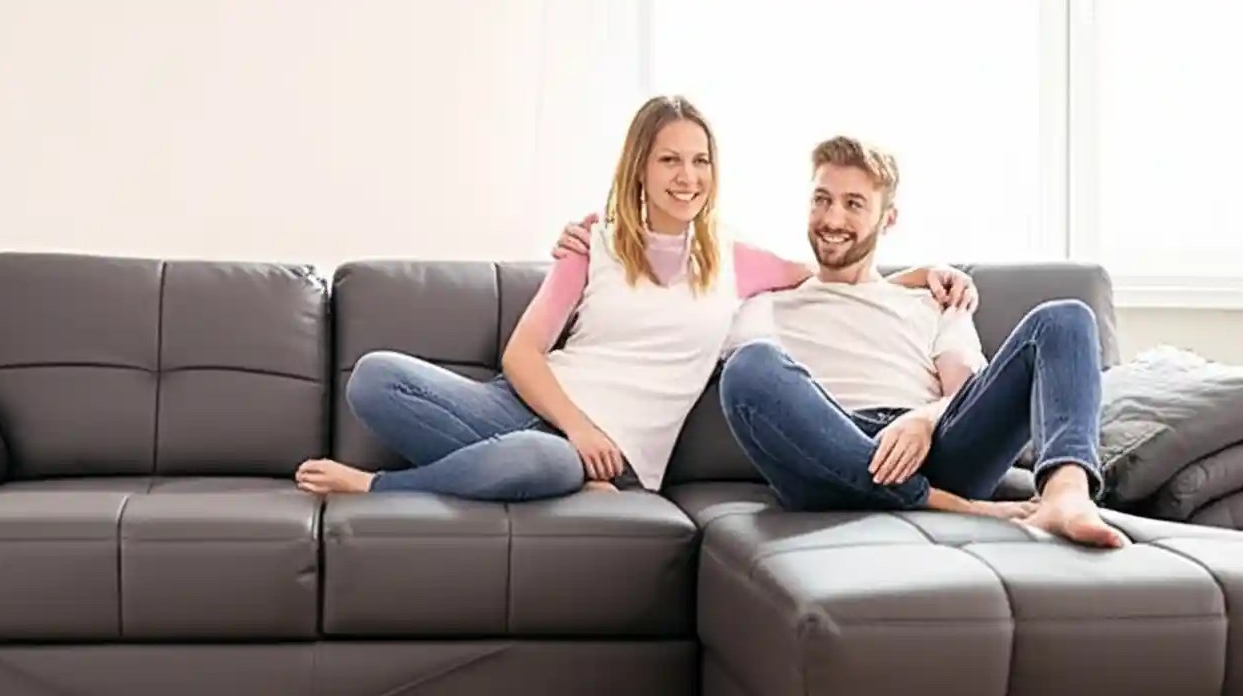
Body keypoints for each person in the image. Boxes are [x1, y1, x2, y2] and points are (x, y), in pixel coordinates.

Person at [294, 97, 974, 500]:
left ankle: (382, 491)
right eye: (669, 160)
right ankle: (497, 473)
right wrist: (577, 425)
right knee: (376, 377)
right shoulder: (595, 244)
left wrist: (926, 276)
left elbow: (832, 266)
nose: (687, 176)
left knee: (541, 461)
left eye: (700, 160)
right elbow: (523, 354)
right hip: (527, 411)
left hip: (609, 462)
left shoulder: (738, 260)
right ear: (640, 170)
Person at [710, 135, 1127, 549]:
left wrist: (923, 420)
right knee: (749, 365)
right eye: (821, 199)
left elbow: (964, 392)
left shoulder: (931, 301)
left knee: (1065, 318)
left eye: (854, 204)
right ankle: (941, 503)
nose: (832, 219)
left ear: (887, 218)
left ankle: (1067, 496)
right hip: (830, 455)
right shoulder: (768, 304)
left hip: (935, 445)